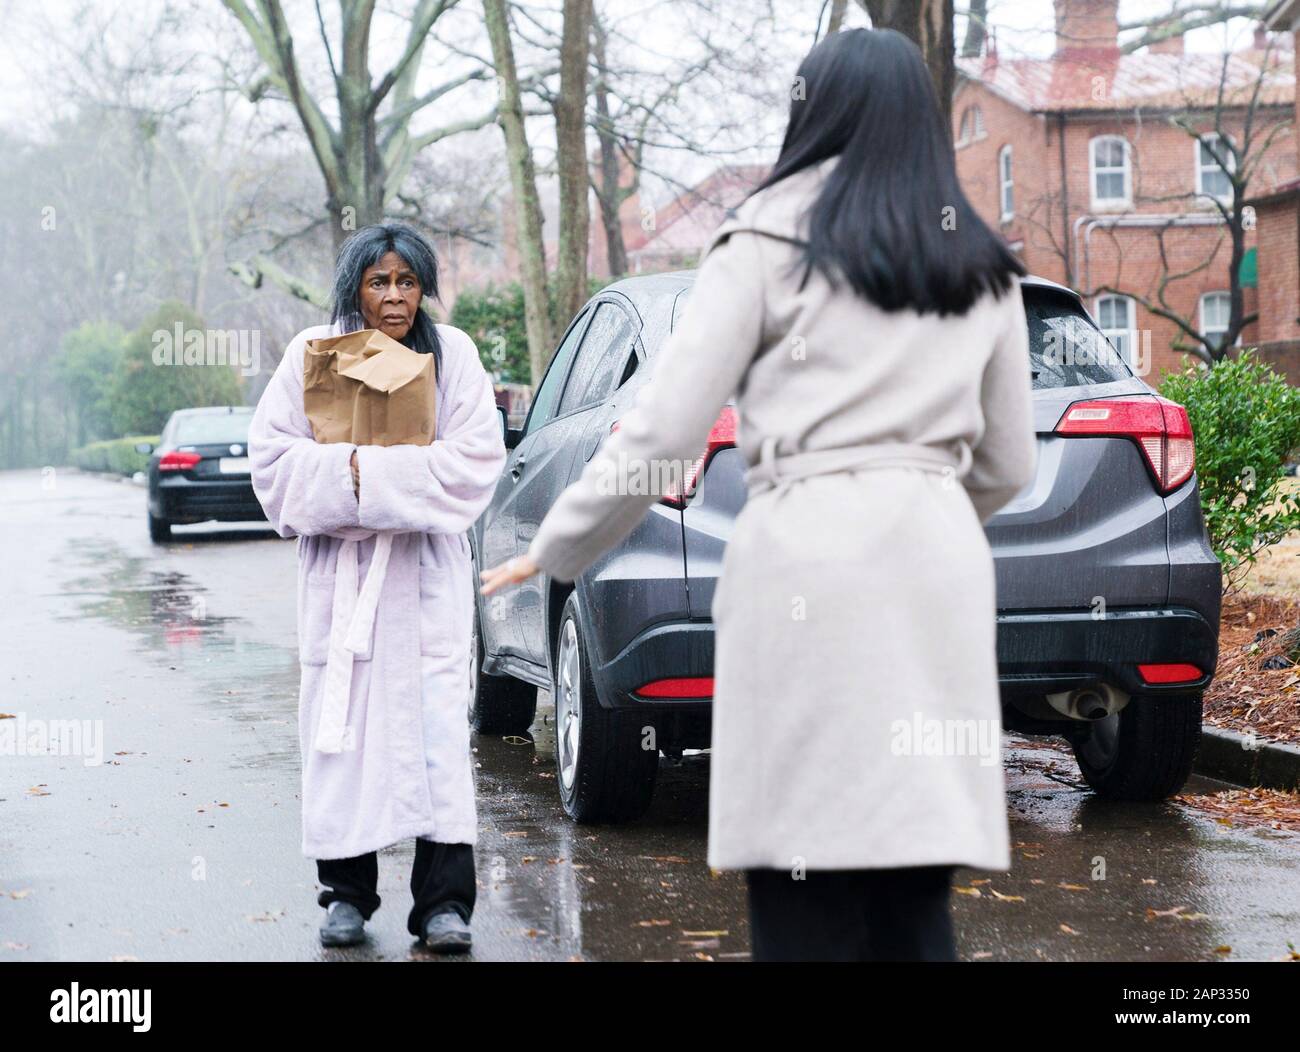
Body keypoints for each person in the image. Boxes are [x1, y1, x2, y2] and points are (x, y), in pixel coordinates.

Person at [479, 28, 1036, 962]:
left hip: (803, 559)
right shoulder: (977, 262)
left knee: (804, 874)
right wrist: (923, 514)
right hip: (935, 567)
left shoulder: (765, 239)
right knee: (913, 884)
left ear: (807, 111)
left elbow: (662, 430)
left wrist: (560, 545)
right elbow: (1009, 462)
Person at [249, 223, 506, 952]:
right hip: (344, 582)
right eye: (378, 282)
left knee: (436, 740)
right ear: (354, 287)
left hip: (423, 576)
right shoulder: (311, 353)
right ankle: (346, 896)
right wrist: (350, 479)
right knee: (342, 735)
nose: (394, 297)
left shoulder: (451, 354)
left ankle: (444, 906)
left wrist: (370, 477)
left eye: (407, 282)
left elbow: (476, 459)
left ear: (423, 288)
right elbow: (271, 462)